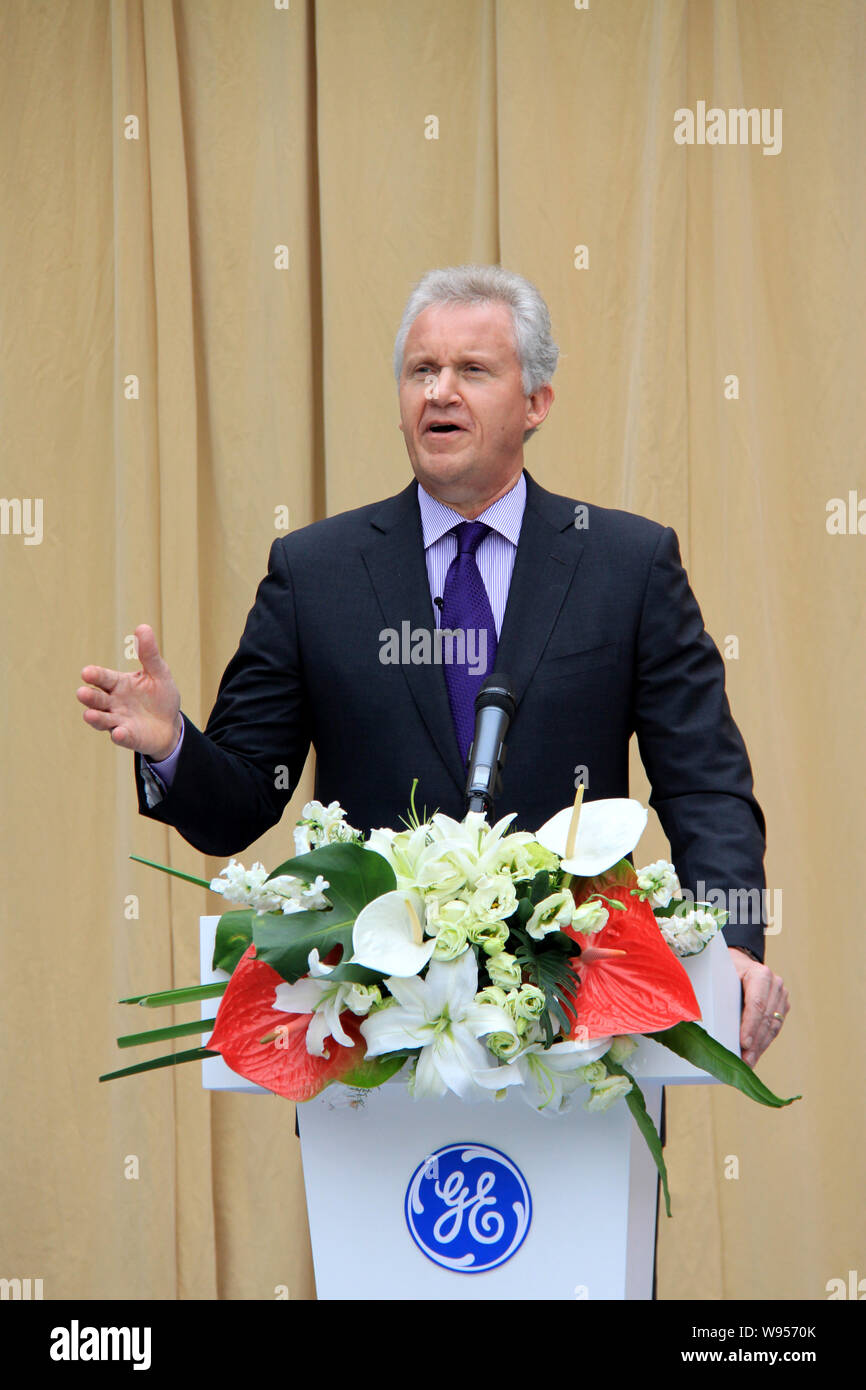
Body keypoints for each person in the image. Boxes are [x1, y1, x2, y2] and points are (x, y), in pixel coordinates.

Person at [77, 263, 789, 1069]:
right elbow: (237, 806)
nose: (440, 392)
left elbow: (704, 783)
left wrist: (730, 947)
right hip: (379, 1040)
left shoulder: (627, 564)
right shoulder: (317, 572)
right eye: (422, 371)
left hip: (581, 1021)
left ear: (536, 404)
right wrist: (173, 745)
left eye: (472, 371)